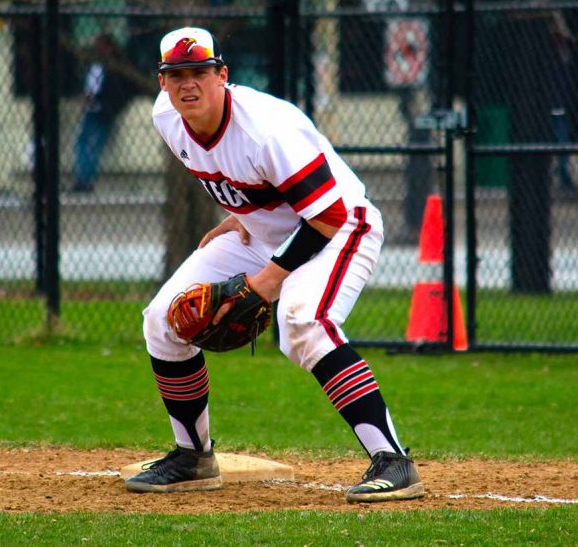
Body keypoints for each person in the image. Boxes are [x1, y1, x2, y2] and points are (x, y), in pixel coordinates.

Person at [125, 27, 425, 503]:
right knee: (163, 320)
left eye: (200, 72)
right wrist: (240, 213)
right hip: (268, 233)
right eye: (176, 74)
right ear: (162, 82)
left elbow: (326, 215)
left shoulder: (267, 128)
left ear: (222, 75)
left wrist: (266, 283)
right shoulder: (168, 117)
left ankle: (393, 460)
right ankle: (192, 457)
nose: (188, 84)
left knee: (302, 321)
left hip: (342, 226)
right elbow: (240, 177)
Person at [71, 34, 135, 193]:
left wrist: (102, 102)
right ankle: (82, 178)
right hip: (91, 109)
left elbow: (116, 90)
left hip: (103, 110)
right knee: (82, 143)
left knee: (93, 145)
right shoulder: (93, 64)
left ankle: (85, 180)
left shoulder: (115, 66)